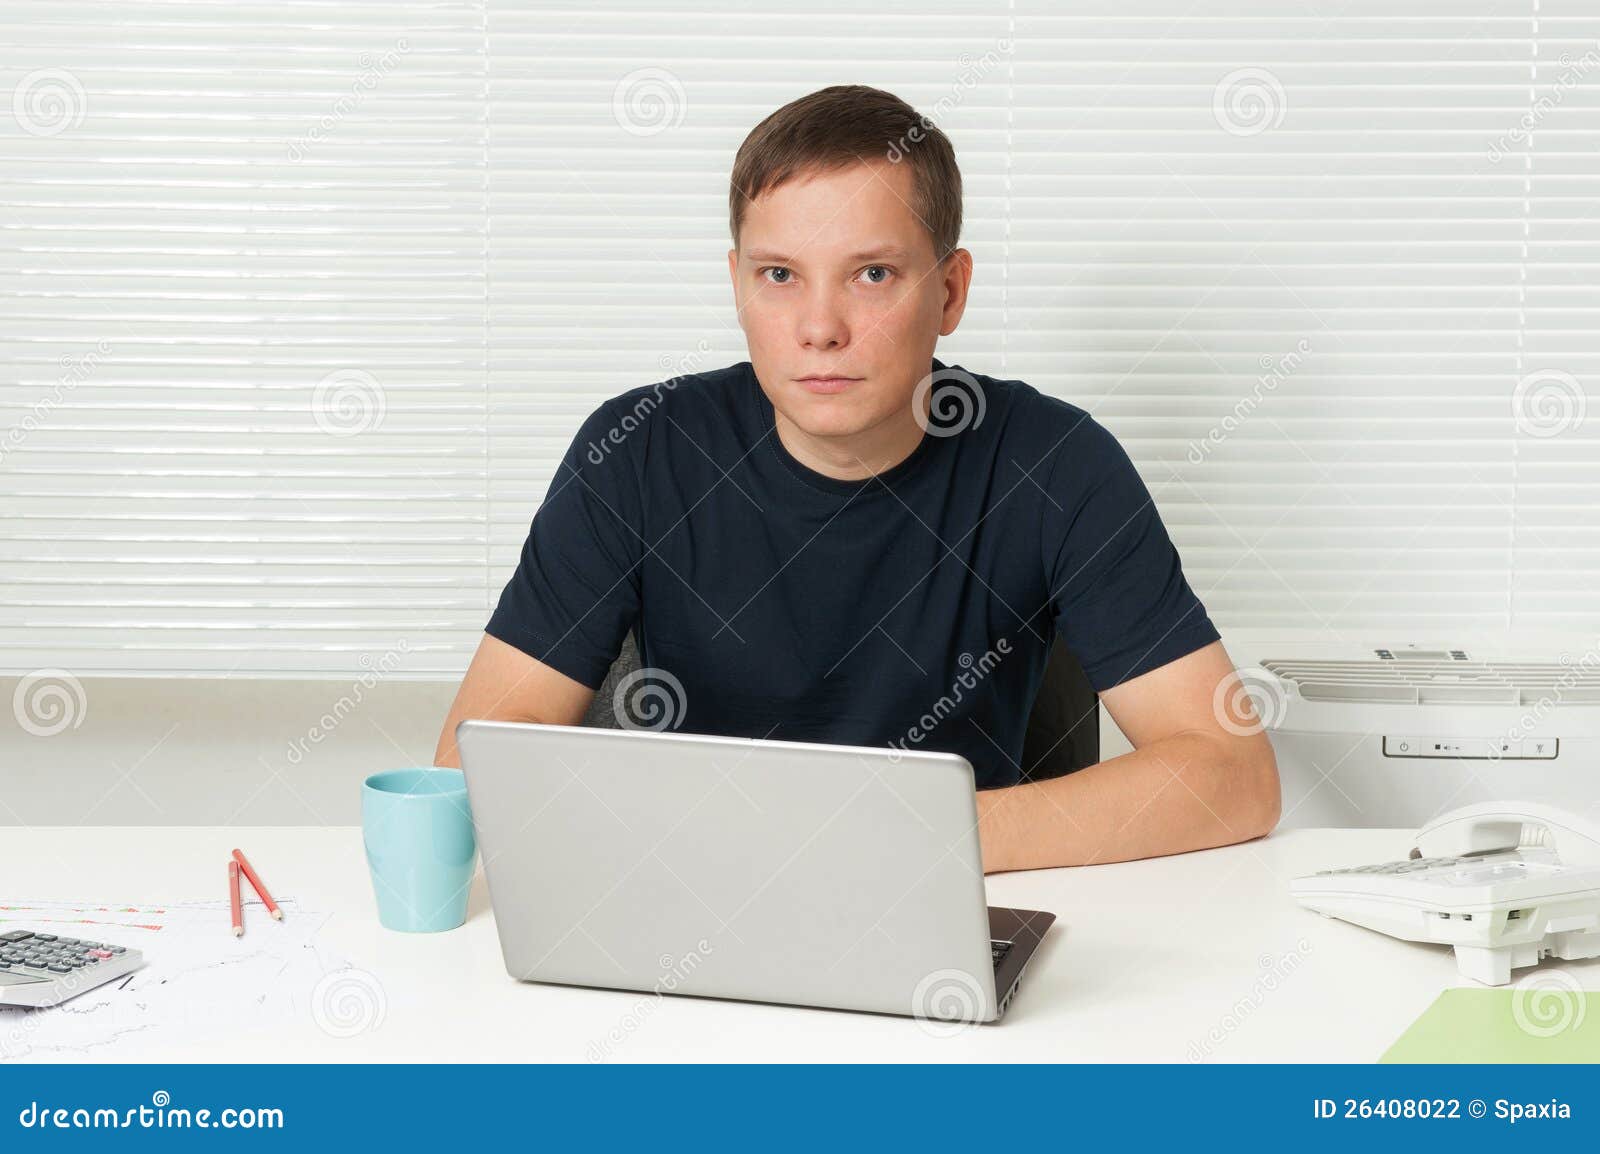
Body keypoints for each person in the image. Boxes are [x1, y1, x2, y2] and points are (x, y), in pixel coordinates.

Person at [434, 84, 1280, 871]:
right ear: (737, 286)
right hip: (695, 900)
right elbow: (477, 755)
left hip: (945, 903)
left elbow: (1233, 774)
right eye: (779, 276)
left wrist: (899, 844)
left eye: (872, 274)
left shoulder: (1057, 464)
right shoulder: (637, 451)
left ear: (949, 292)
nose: (820, 328)